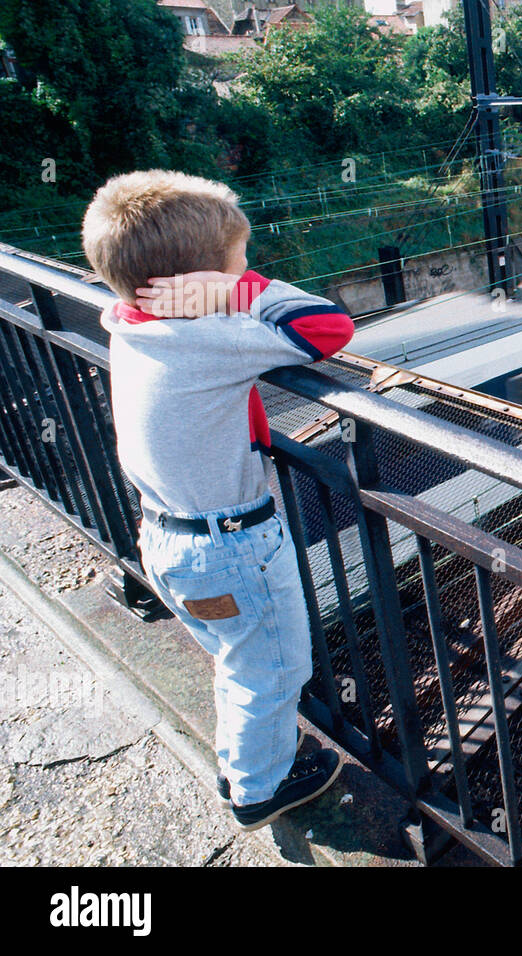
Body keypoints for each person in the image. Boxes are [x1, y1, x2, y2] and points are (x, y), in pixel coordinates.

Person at [82, 170, 354, 830]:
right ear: (197, 286)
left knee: (240, 660)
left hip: (168, 538)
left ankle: (242, 759)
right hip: (232, 547)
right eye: (238, 264)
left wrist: (212, 285)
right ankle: (261, 788)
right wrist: (236, 292)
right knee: (276, 667)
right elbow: (328, 327)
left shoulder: (129, 319)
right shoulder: (205, 334)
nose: (248, 272)